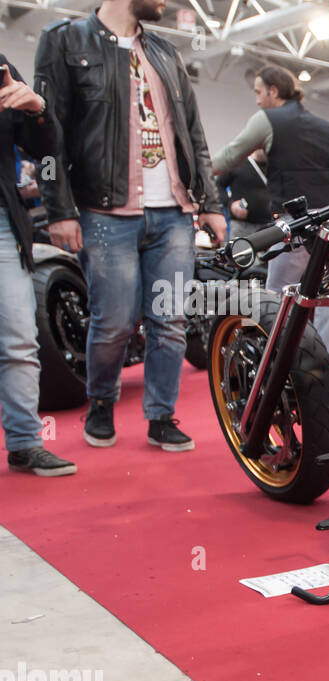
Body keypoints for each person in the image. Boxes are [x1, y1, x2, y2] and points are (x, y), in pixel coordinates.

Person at [35, 0, 227, 453]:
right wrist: (58, 210)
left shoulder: (166, 52)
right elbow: (47, 132)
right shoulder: (64, 41)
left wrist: (211, 203)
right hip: (104, 210)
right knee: (114, 321)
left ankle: (161, 415)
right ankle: (101, 400)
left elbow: (194, 136)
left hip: (174, 211)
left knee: (171, 321)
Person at [212, 65, 329, 359]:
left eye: (258, 92)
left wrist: (192, 171)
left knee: (278, 296)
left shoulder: (267, 119)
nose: (256, 99)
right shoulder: (328, 127)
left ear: (272, 91)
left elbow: (230, 155)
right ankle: (325, 364)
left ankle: (282, 362)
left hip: (295, 224)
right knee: (328, 296)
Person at [0, 54, 76, 477]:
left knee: (18, 339)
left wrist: (37, 110)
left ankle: (26, 442)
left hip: (2, 220)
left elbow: (46, 149)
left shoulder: (1, 68)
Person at [216, 147, 271, 241]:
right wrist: (231, 205)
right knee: (240, 254)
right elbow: (218, 186)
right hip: (242, 225)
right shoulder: (239, 163)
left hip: (268, 224)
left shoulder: (274, 167)